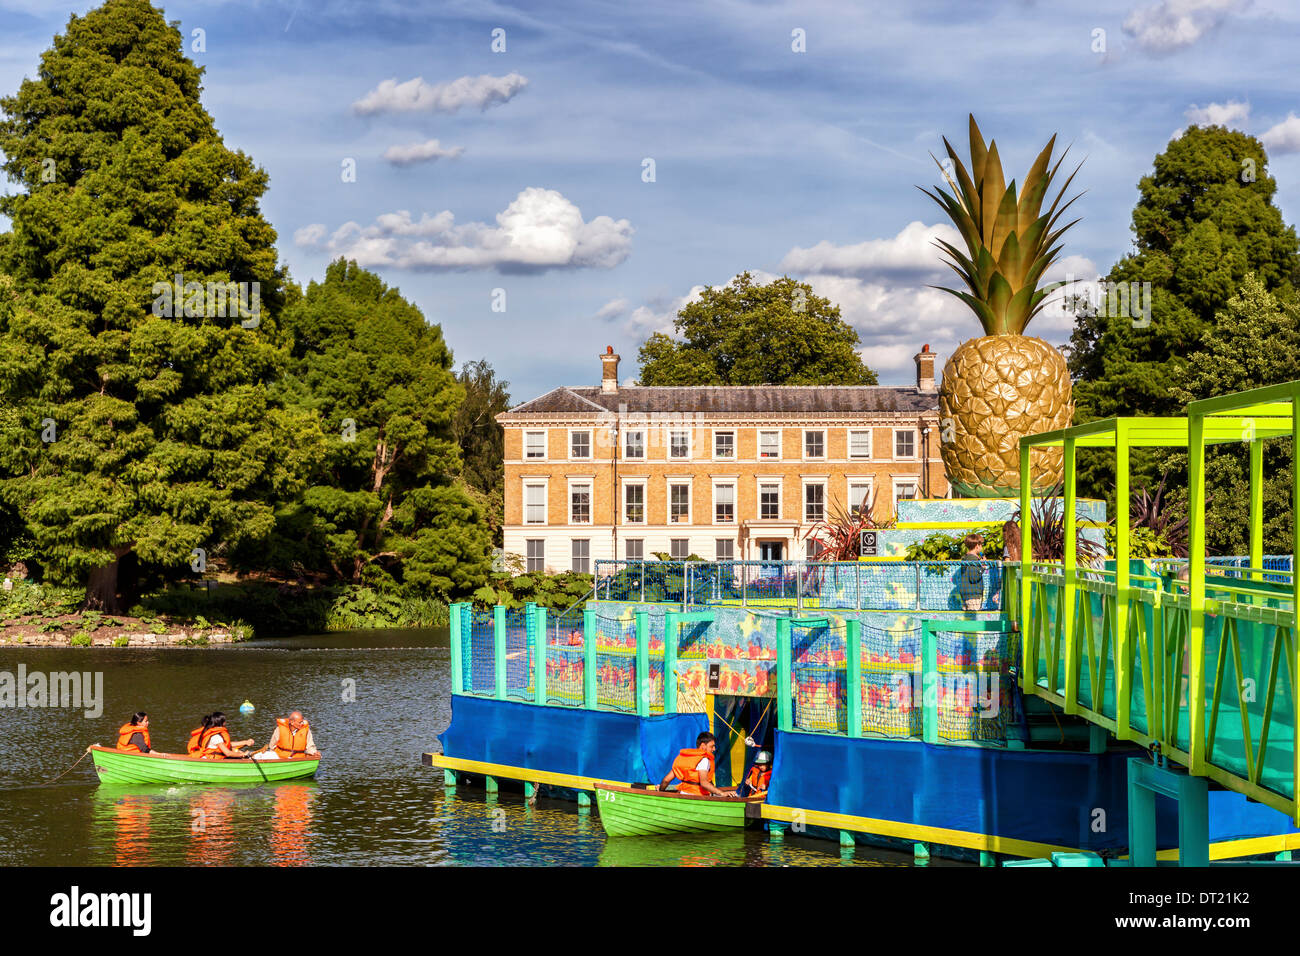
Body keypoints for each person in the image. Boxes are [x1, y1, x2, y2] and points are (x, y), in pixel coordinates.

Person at [658, 731, 735, 797]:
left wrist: (661, 792)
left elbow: (666, 780)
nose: (714, 749)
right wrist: (722, 793)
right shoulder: (704, 760)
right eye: (712, 746)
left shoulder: (683, 757)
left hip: (683, 794)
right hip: (698, 797)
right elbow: (704, 783)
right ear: (703, 746)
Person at [958, 533, 986, 611]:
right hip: (973, 595)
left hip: (966, 594)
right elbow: (974, 577)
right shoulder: (973, 560)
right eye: (981, 545)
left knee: (967, 619)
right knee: (974, 620)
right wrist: (983, 567)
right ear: (977, 546)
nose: (982, 547)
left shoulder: (965, 558)